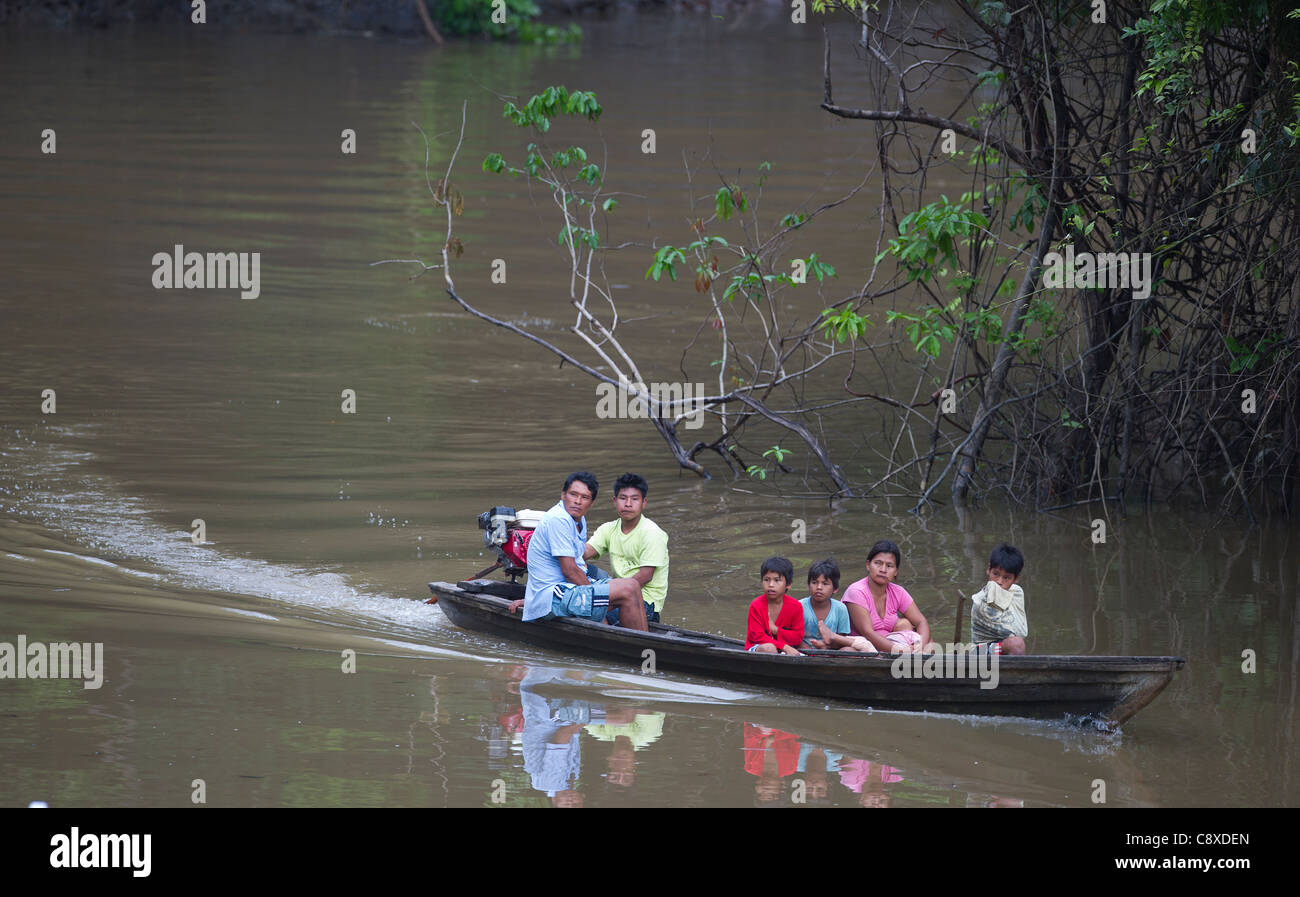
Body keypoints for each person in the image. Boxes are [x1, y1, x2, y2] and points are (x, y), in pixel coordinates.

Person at [507, 472, 648, 631]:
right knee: (627, 590)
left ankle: (648, 645)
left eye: (585, 497)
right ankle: (645, 649)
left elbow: (579, 564)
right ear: (563, 495)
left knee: (633, 585)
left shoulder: (579, 520)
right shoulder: (558, 519)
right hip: (553, 595)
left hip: (565, 590)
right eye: (573, 495)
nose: (577, 501)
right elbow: (570, 571)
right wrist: (594, 596)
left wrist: (597, 596)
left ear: (591, 503)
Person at [584, 473, 669, 626]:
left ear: (644, 502)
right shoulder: (608, 529)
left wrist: (603, 600)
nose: (628, 504)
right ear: (615, 501)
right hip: (618, 594)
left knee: (588, 611)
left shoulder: (652, 533)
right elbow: (583, 554)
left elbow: (645, 576)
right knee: (581, 569)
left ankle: (604, 631)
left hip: (644, 604)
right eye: (623, 498)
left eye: (634, 499)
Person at [841, 540, 933, 654]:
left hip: (891, 645)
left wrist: (920, 646)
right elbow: (868, 633)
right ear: (868, 565)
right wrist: (900, 650)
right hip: (865, 646)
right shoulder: (856, 591)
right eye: (878, 563)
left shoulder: (898, 592)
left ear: (896, 572)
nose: (883, 570)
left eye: (889, 566)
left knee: (929, 643)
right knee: (848, 651)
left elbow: (921, 622)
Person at [800, 559, 873, 652]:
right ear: (808, 585)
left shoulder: (840, 608)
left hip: (831, 650)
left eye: (825, 584)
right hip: (803, 651)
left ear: (835, 589)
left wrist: (826, 647)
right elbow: (795, 636)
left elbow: (842, 638)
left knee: (848, 650)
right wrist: (809, 651)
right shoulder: (799, 606)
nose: (819, 587)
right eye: (814, 582)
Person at [969, 543, 1028, 655]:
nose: (999, 581)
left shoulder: (1017, 592)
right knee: (1016, 644)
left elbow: (1022, 632)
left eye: (1006, 578)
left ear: (1016, 579)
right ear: (988, 570)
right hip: (980, 651)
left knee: (1016, 643)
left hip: (1006, 643)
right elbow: (1013, 633)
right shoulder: (980, 601)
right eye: (995, 574)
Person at [745, 556, 804, 655]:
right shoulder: (756, 605)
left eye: (777, 580)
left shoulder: (796, 606)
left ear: (788, 584)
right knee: (769, 648)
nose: (771, 585)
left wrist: (775, 630)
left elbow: (797, 638)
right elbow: (758, 637)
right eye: (766, 580)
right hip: (758, 647)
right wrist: (784, 647)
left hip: (785, 649)